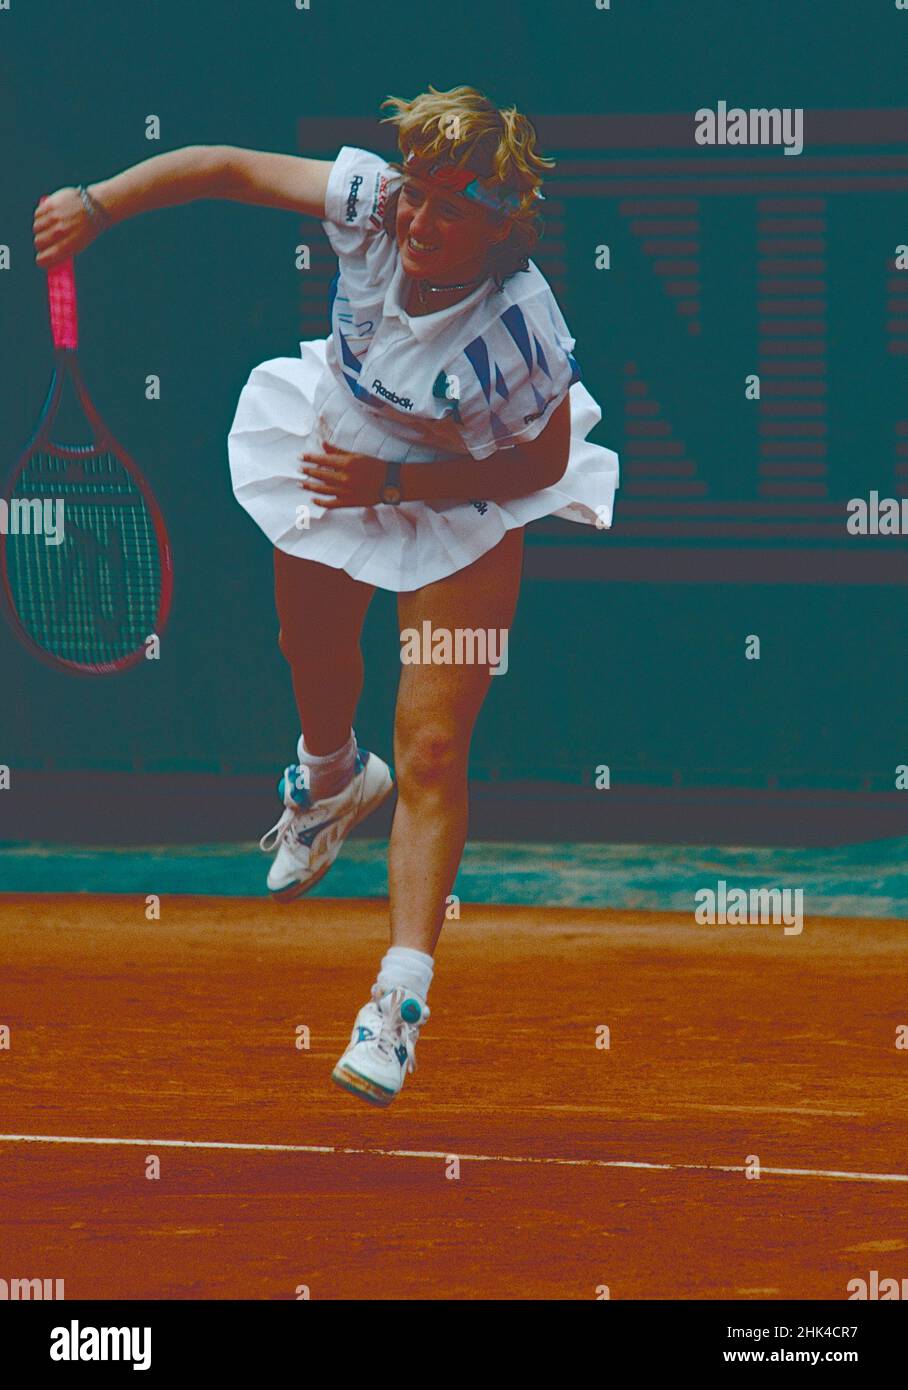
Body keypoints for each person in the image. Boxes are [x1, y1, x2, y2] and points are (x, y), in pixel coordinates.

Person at [32, 84, 619, 1109]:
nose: (417, 222)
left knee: (431, 749)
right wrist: (99, 202)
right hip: (336, 445)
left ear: (501, 226)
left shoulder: (523, 333)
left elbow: (539, 467)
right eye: (415, 195)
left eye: (449, 210)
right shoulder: (372, 200)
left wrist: (393, 485)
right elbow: (223, 166)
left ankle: (396, 1006)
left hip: (462, 501)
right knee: (309, 650)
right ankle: (331, 776)